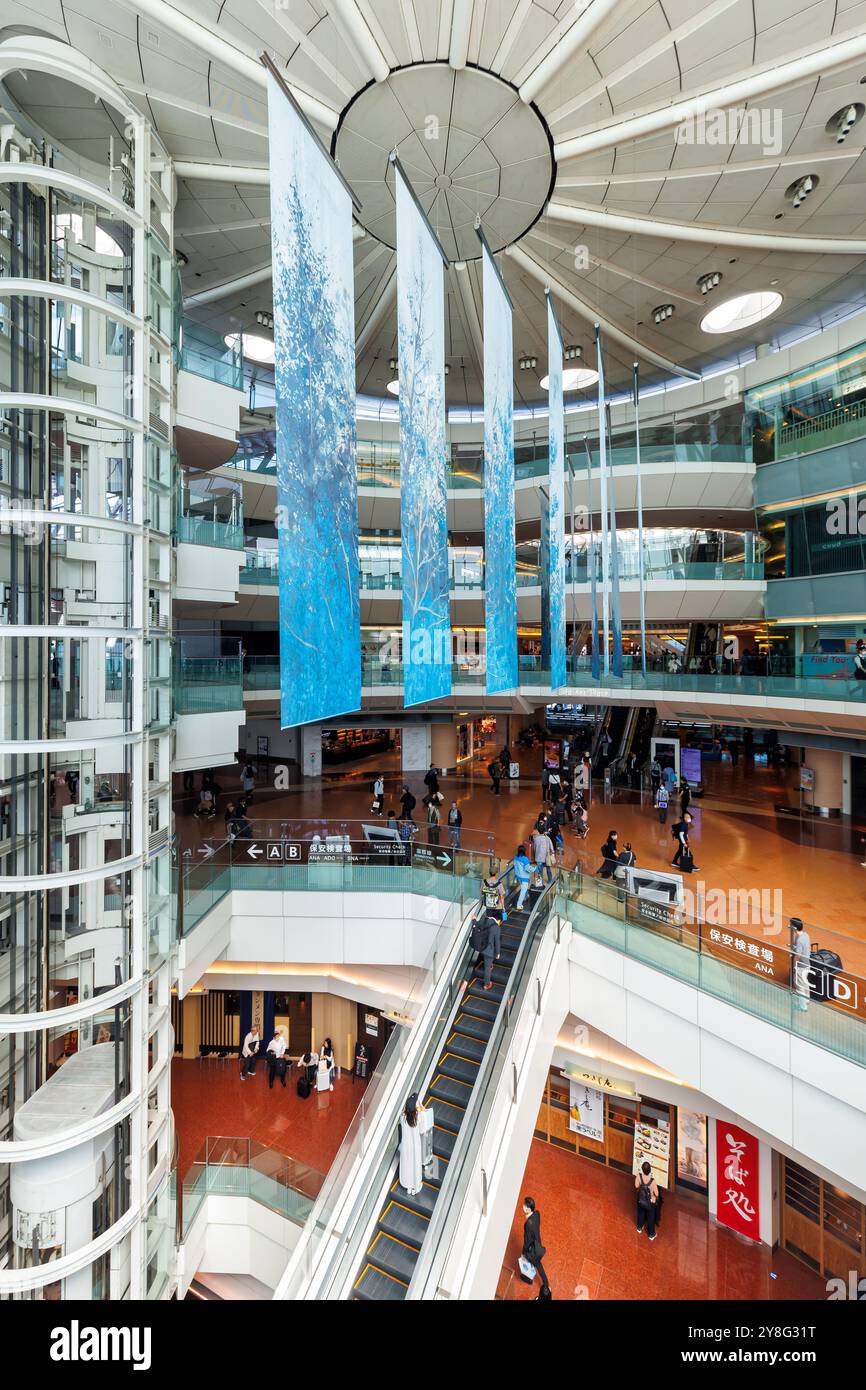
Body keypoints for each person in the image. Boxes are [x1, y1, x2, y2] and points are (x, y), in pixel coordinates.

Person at [399, 1093, 430, 1197]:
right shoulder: (418, 1117)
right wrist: (422, 1108)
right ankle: (415, 1187)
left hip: (405, 1146)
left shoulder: (403, 1118)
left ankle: (408, 1186)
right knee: (415, 1166)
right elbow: (422, 1130)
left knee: (407, 1165)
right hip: (415, 1146)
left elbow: (406, 1114)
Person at [521, 1196, 551, 1299]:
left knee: (529, 1262)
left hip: (532, 1248)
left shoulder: (528, 1224)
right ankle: (546, 1283)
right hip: (538, 1244)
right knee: (538, 1264)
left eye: (524, 1205)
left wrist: (524, 1252)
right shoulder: (537, 1214)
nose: (523, 1206)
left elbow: (527, 1240)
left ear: (529, 1209)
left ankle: (528, 1279)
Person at [791, 917, 812, 1012]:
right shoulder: (805, 935)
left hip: (801, 966)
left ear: (794, 928)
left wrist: (795, 966)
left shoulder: (799, 941)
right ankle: (807, 1000)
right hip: (807, 964)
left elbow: (798, 955)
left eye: (790, 926)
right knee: (805, 983)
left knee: (799, 986)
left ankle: (803, 1007)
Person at [635, 1160, 659, 1240]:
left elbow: (636, 1186)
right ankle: (651, 1234)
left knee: (640, 1213)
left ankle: (639, 1227)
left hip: (641, 1199)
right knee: (650, 1217)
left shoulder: (639, 1176)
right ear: (650, 1170)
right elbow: (657, 1193)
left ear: (642, 1169)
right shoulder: (653, 1181)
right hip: (650, 1202)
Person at [513, 843, 532, 910]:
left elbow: (515, 866)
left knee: (523, 887)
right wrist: (535, 869)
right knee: (523, 891)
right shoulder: (525, 859)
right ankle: (519, 905)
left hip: (518, 876)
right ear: (524, 851)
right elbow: (527, 868)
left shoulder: (515, 857)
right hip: (524, 877)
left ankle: (525, 896)